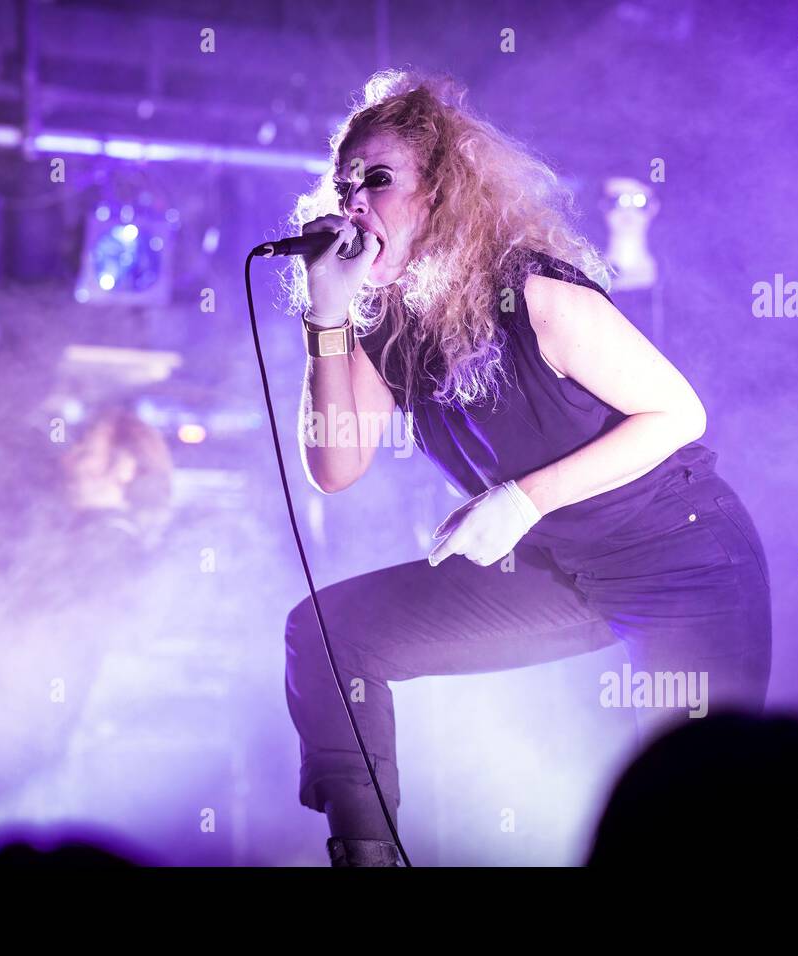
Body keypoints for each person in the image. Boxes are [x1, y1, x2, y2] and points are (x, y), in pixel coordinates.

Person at [282, 70, 772, 867]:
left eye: (378, 179)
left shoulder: (535, 294)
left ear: (441, 193)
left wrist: (522, 499)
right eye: (344, 185)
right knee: (330, 636)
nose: (354, 203)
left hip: (685, 560)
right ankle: (369, 858)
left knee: (700, 818)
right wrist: (325, 318)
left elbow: (680, 414)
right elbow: (334, 467)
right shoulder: (384, 333)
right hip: (566, 573)